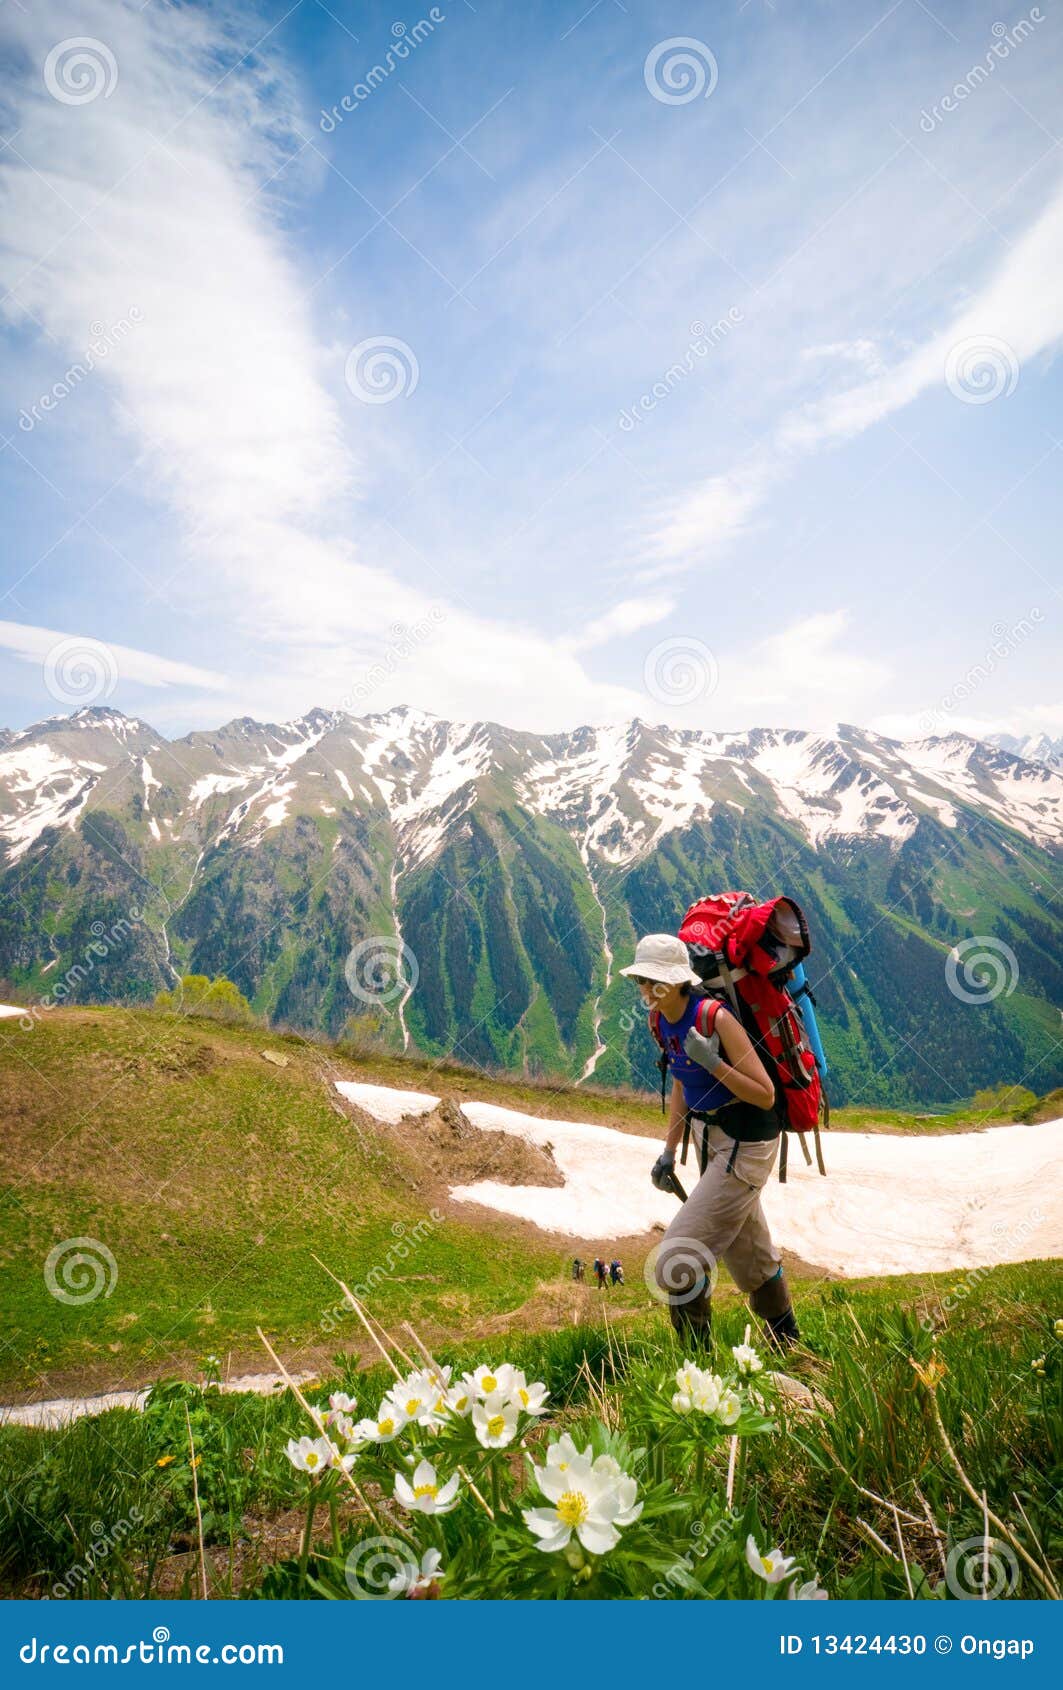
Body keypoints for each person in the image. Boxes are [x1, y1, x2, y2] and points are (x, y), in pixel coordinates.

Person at [620, 932, 800, 1350]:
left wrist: (714, 1062)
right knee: (751, 1258)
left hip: (747, 1140)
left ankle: (698, 1370)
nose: (645, 990)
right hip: (711, 1136)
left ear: (677, 980)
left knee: (674, 1261)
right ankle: (791, 1350)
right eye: (640, 982)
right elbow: (682, 1081)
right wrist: (669, 1151)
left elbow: (764, 1094)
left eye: (652, 981)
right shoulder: (659, 1019)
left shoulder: (714, 1018)